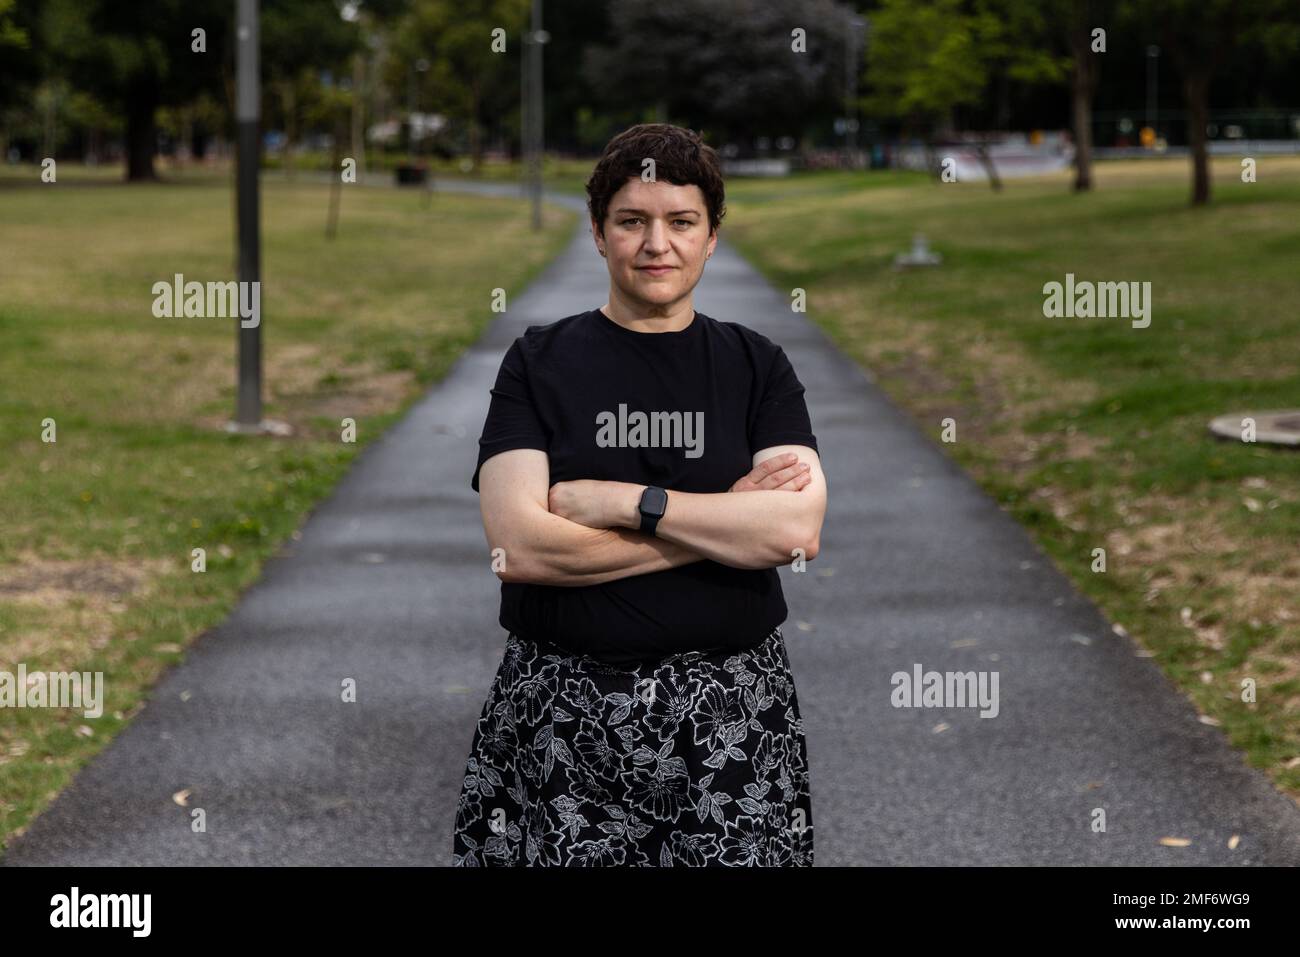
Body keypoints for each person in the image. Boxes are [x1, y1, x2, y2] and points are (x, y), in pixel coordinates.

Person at [452, 123, 827, 866]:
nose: (658, 243)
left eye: (681, 222)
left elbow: (792, 532)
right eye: (633, 221)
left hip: (731, 717)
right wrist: (722, 518)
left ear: (712, 236)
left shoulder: (758, 366)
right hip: (560, 715)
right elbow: (520, 547)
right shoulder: (539, 362)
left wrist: (630, 503)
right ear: (598, 233)